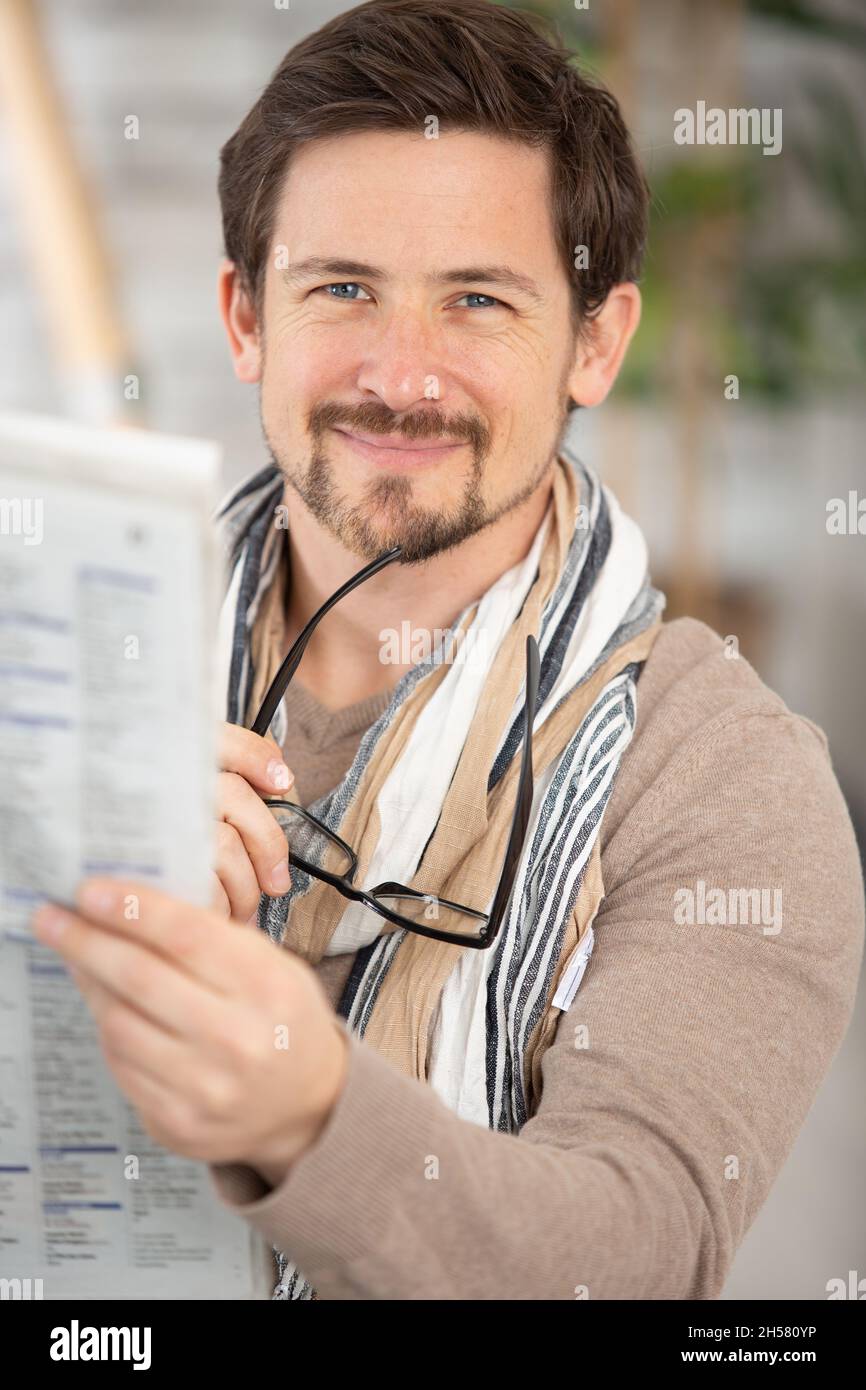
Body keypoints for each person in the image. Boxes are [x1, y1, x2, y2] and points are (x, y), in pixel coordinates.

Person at [33, 0, 864, 1301]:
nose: (401, 374)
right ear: (245, 317)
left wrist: (303, 1103)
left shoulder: (728, 787)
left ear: (595, 342)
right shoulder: (48, 675)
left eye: (476, 299)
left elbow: (629, 1256)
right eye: (343, 287)